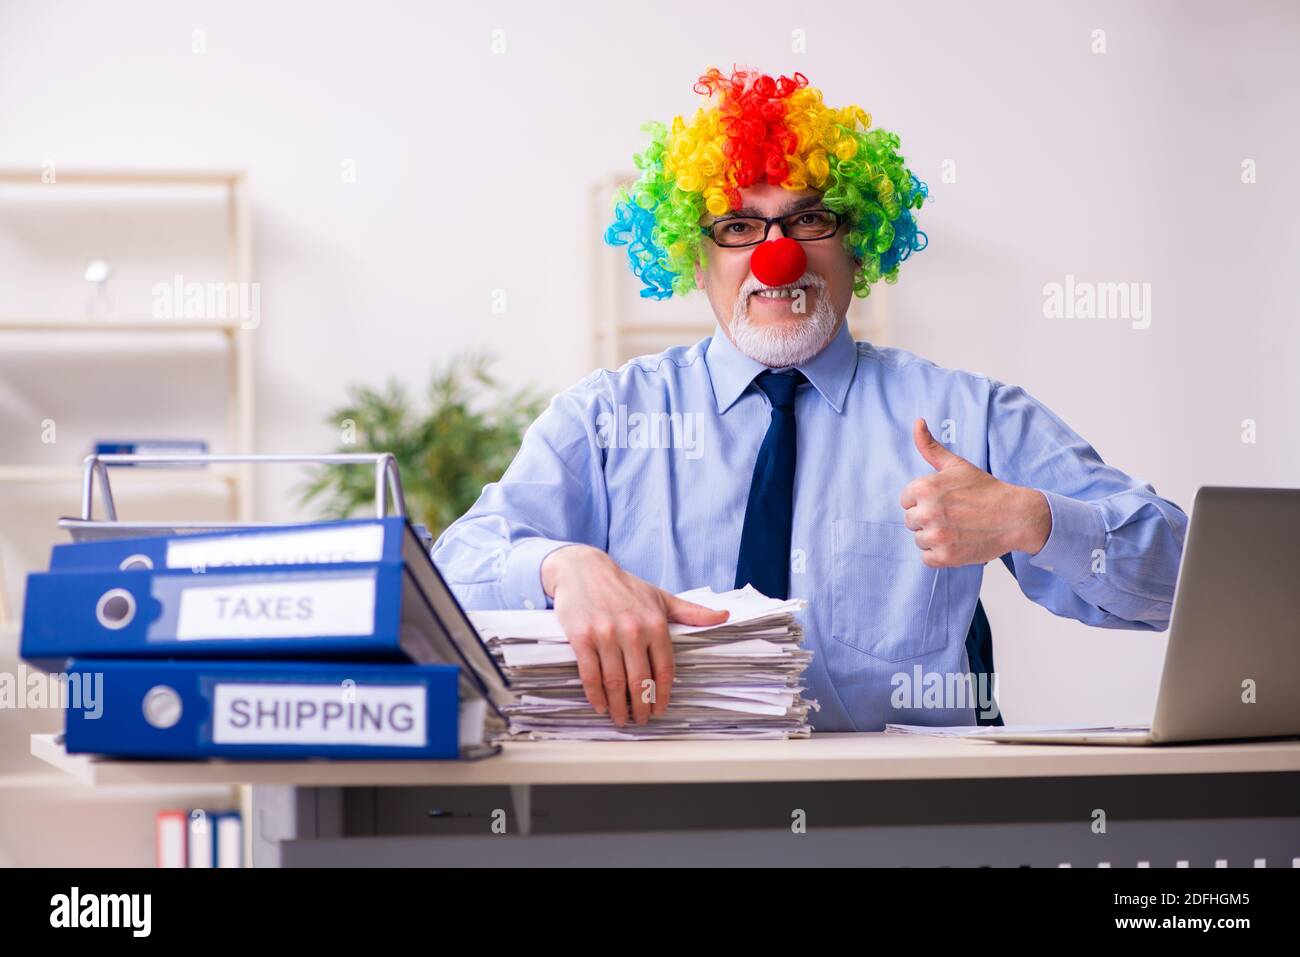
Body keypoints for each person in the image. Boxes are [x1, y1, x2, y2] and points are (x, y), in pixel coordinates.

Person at [432, 67, 1187, 732]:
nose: (777, 254)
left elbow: (1183, 582)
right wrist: (560, 564)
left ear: (859, 242)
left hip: (898, 825)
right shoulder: (605, 418)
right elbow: (452, 576)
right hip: (662, 815)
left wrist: (1037, 519)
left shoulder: (971, 415)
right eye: (737, 226)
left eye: (811, 218)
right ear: (695, 260)